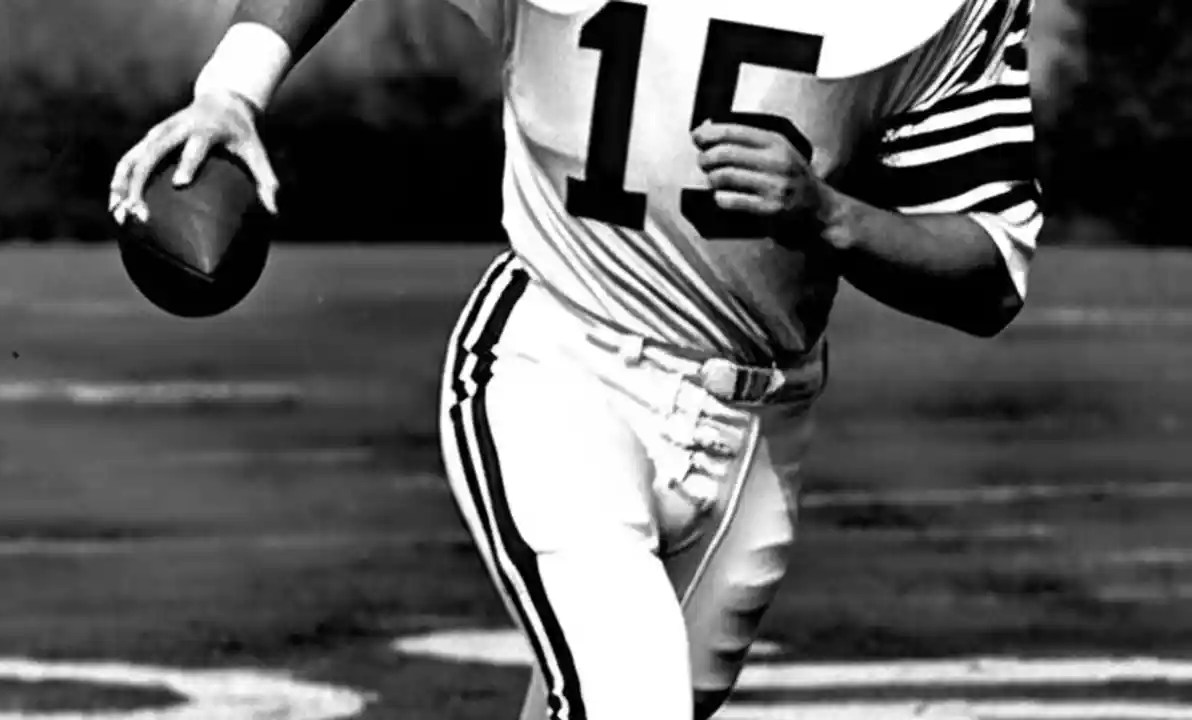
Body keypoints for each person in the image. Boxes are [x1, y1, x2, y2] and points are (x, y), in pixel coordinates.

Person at [108, 0, 1042, 717]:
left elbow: (989, 271)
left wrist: (833, 217)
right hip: (562, 362)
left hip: (758, 429)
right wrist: (231, 86)